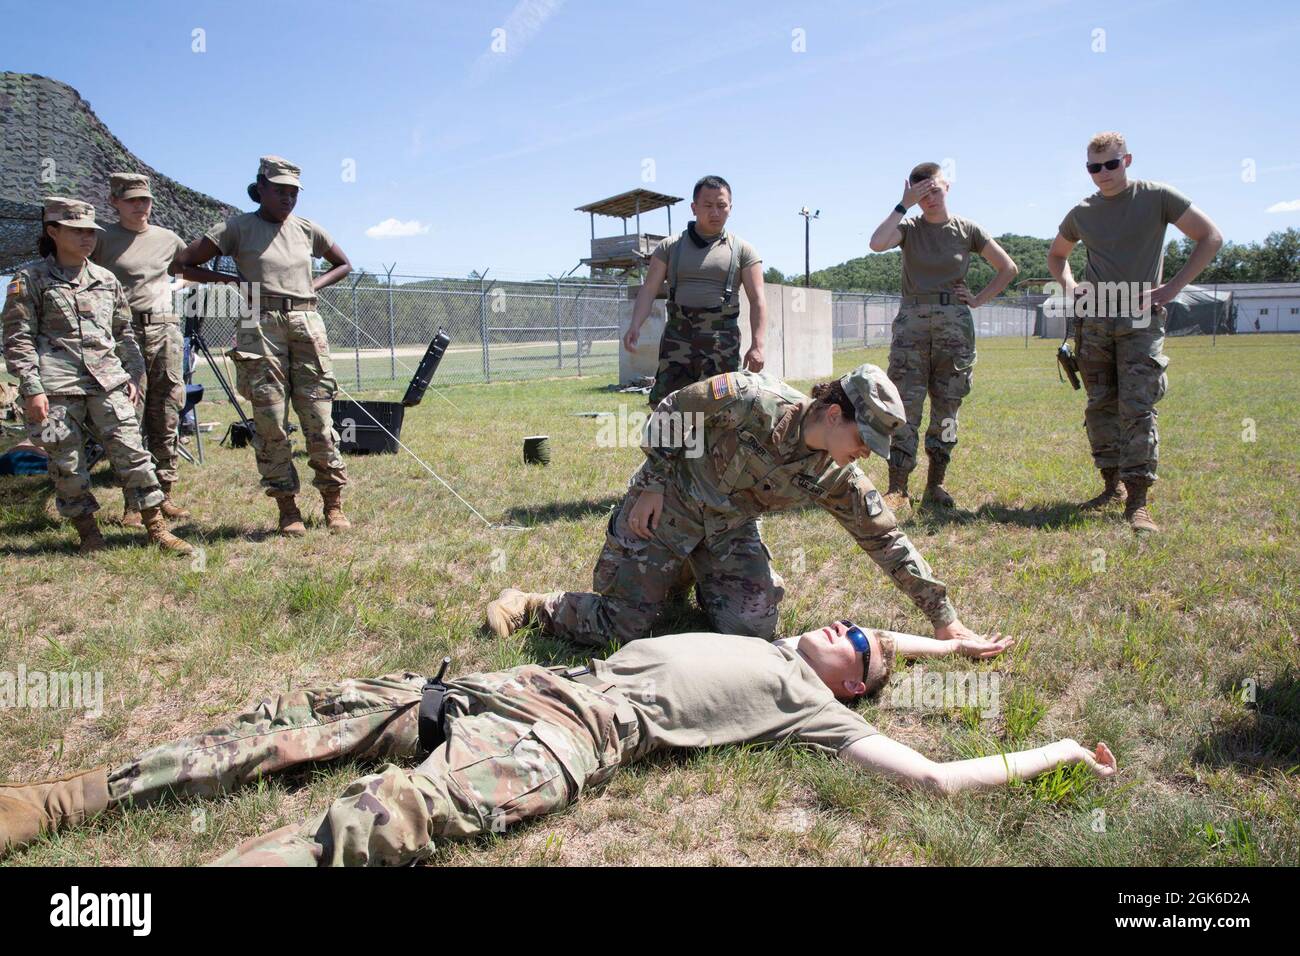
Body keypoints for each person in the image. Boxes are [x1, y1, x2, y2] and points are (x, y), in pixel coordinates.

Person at [0, 620, 1116, 866]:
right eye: (846, 618)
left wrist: (1057, 745)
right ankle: (59, 801)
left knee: (386, 814)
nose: (842, 627)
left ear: (852, 684)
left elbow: (933, 776)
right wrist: (944, 640)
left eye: (857, 643)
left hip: (578, 733)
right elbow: (888, 631)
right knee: (298, 719)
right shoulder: (771, 632)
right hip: (523, 680)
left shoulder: (811, 707)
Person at [487, 364, 988, 647]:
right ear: (835, 414)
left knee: (750, 632)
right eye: (864, 438)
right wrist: (653, 484)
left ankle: (686, 578)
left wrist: (943, 617)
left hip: (728, 531)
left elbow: (885, 539)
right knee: (623, 629)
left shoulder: (836, 474)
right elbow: (670, 411)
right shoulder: (750, 397)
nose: (865, 454)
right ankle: (533, 605)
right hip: (667, 509)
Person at [1046, 132, 1222, 533]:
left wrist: (1172, 288)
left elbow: (1210, 237)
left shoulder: (1157, 197)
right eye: (1094, 167)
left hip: (1140, 320)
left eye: (1111, 164)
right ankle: (1112, 487)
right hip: (1093, 321)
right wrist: (1071, 288)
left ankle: (1138, 501)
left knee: (1138, 409)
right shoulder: (1082, 211)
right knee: (1100, 405)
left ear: (1127, 160)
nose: (1103, 173)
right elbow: (1057, 255)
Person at [1, 197, 193, 556]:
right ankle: (88, 533)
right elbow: (17, 339)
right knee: (67, 463)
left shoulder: (106, 279)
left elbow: (123, 334)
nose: (87, 237)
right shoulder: (29, 280)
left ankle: (155, 527)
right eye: (77, 230)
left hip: (108, 383)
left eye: (90, 230)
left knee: (134, 454)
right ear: (53, 232)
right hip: (56, 388)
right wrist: (31, 390)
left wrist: (133, 375)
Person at [174, 156, 354, 536]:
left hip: (307, 324)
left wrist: (311, 288)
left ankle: (332, 505)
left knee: (320, 419)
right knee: (270, 420)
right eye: (280, 191)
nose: (288, 198)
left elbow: (343, 264)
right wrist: (231, 282)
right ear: (262, 187)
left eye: (294, 192)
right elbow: (184, 263)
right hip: (260, 325)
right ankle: (287, 508)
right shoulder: (237, 228)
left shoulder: (307, 229)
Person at [868, 162, 1019, 511]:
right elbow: (876, 244)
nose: (930, 198)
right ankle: (898, 487)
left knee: (947, 411)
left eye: (934, 189)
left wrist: (979, 299)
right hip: (912, 331)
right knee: (904, 407)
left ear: (947, 186)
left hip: (954, 330)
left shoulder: (967, 230)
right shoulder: (909, 227)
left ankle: (936, 484)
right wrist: (903, 204)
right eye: (922, 194)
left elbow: (1008, 268)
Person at [91, 173, 204, 526]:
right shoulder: (101, 240)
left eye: (146, 200)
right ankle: (134, 502)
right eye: (132, 200)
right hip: (121, 332)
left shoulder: (167, 239)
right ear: (114, 201)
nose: (140, 206)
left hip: (164, 327)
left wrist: (175, 288)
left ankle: (165, 493)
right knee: (129, 415)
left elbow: (186, 267)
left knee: (167, 408)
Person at [622, 175, 767, 408]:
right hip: (677, 342)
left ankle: (709, 446)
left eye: (722, 206)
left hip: (721, 346)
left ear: (730, 208)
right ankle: (670, 446)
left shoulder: (743, 250)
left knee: (723, 409)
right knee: (667, 409)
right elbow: (649, 290)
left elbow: (758, 300)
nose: (715, 212)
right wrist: (635, 325)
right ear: (694, 208)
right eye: (708, 206)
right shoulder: (669, 247)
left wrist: (758, 345)